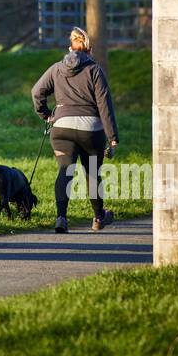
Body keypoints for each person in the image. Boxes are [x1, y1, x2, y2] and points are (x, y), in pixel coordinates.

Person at [30, 27, 119, 234]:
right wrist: (112, 138)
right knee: (92, 173)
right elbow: (104, 105)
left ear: (70, 48)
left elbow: (36, 92)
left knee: (65, 171)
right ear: (89, 51)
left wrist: (47, 115)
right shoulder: (95, 70)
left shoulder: (57, 68)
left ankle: (61, 218)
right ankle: (98, 217)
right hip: (91, 131)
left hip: (61, 129)